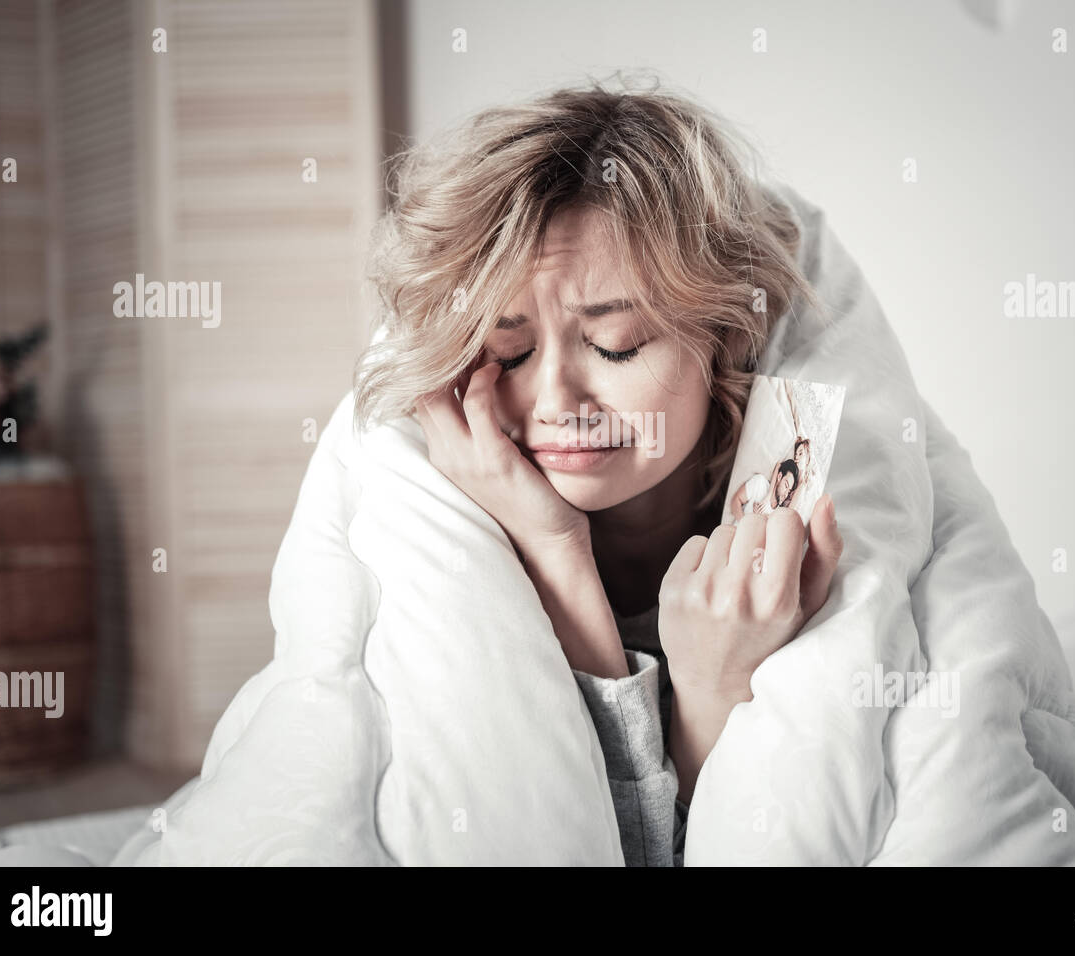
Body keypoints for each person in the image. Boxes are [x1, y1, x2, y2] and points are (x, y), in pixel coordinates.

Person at [357, 77, 845, 866]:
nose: (555, 401)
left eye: (615, 346)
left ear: (723, 335)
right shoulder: (452, 538)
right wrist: (557, 550)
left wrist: (713, 686)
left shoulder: (789, 520)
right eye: (511, 351)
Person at [728, 458, 799, 522]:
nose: (786, 494)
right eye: (786, 486)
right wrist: (745, 526)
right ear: (779, 477)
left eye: (789, 491)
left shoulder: (778, 514)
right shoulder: (760, 483)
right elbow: (735, 501)